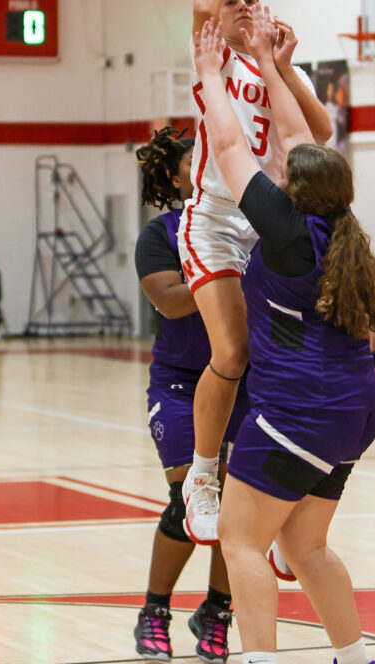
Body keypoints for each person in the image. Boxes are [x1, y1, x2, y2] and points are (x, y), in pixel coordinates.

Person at [193, 15, 375, 664]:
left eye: (283, 170)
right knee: (304, 546)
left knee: (241, 542)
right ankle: (357, 660)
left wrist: (209, 75)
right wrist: (269, 66)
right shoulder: (340, 223)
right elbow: (301, 140)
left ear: (293, 188)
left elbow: (227, 150)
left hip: (299, 413)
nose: (275, 164)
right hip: (355, 412)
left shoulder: (283, 229)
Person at [177, 0, 332, 544]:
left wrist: (284, 67)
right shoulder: (212, 56)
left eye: (251, 0)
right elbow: (202, 6)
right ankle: (203, 474)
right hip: (215, 221)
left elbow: (317, 136)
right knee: (233, 354)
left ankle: (276, 501)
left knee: (281, 364)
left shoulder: (278, 70)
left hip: (270, 229)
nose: (240, 6)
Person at [133, 127, 250, 663]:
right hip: (182, 382)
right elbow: (172, 302)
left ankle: (217, 610)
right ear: (178, 176)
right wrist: (227, 276)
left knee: (238, 511)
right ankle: (155, 610)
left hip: (248, 383)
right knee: (189, 502)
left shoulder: (249, 225)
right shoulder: (162, 234)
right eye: (197, 160)